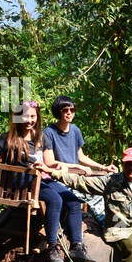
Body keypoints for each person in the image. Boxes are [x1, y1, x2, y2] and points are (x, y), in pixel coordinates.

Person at [0, 100, 92, 262]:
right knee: (55, 200)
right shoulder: (9, 138)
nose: (29, 120)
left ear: (37, 118)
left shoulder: (42, 137)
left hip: (42, 178)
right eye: (25, 116)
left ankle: (77, 245)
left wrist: (54, 165)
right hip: (21, 182)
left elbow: (49, 162)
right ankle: (52, 247)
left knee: (74, 201)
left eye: (32, 116)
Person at [40, 96, 115, 225]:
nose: (69, 112)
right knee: (88, 196)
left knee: (101, 193)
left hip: (76, 177)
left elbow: (81, 157)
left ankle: (112, 225)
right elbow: (50, 162)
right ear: (58, 111)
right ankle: (106, 226)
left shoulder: (75, 130)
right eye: (65, 110)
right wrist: (78, 167)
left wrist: (103, 168)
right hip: (59, 179)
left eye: (72, 109)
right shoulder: (48, 132)